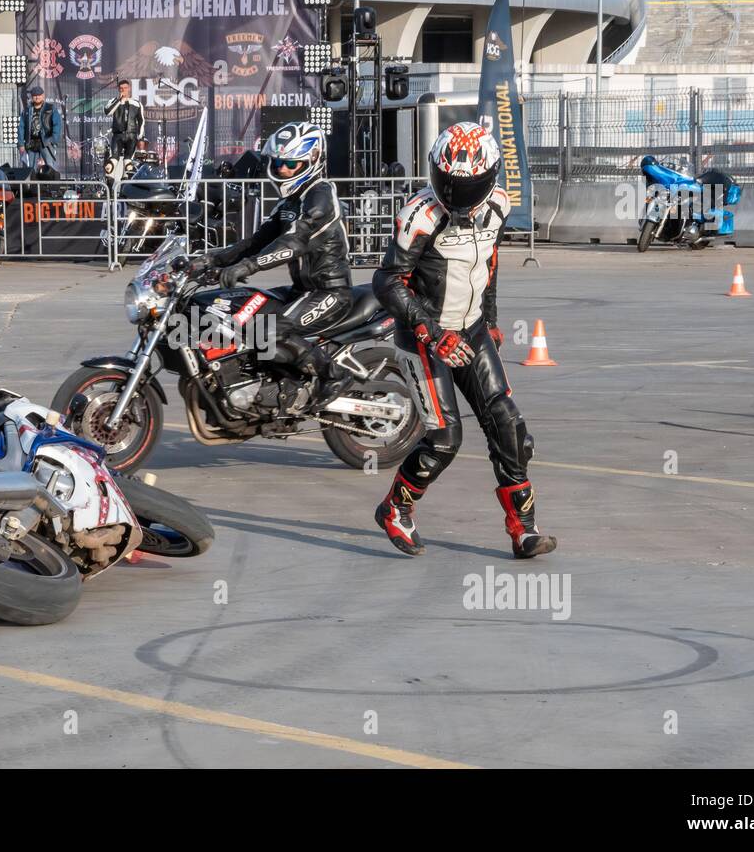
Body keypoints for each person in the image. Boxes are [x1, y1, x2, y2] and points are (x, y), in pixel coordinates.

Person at [372, 121, 557, 560]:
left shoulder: (498, 204)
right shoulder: (419, 214)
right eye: (449, 183)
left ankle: (523, 530)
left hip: (470, 326)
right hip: (424, 334)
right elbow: (387, 281)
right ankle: (395, 507)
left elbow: (489, 261)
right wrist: (431, 332)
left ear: (489, 179)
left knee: (510, 427)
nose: (456, 194)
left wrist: (489, 318)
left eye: (467, 185)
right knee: (444, 439)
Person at [195, 122, 352, 412]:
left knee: (268, 331)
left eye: (290, 164)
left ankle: (333, 375)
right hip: (301, 290)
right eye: (278, 163)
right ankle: (275, 382)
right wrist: (210, 260)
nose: (281, 169)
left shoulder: (321, 196)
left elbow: (294, 243)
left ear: (312, 160)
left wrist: (247, 268)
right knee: (245, 319)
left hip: (330, 292)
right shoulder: (289, 201)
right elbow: (255, 242)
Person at [17, 86, 63, 176]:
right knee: (31, 170)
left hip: (46, 143)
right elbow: (21, 127)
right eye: (34, 95)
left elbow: (57, 125)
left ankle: (50, 188)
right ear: (32, 97)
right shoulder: (26, 111)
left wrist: (53, 140)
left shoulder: (50, 108)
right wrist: (21, 144)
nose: (37, 97)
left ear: (43, 96)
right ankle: (33, 188)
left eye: (39, 95)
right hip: (31, 143)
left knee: (49, 168)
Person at [104, 79, 144, 160]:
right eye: (121, 88)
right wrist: (119, 100)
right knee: (112, 162)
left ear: (129, 88)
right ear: (118, 89)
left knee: (128, 162)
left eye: (125, 88)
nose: (123, 90)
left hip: (131, 135)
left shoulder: (137, 103)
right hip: (118, 135)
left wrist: (141, 137)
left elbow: (141, 121)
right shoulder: (113, 101)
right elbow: (108, 112)